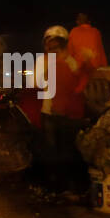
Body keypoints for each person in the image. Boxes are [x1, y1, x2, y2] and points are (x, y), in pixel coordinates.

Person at [33, 26, 89, 197]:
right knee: (57, 151)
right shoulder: (49, 61)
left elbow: (76, 83)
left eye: (55, 44)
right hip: (54, 113)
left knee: (63, 150)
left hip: (62, 113)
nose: (51, 47)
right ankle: (60, 187)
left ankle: (66, 187)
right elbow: (37, 82)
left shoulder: (67, 61)